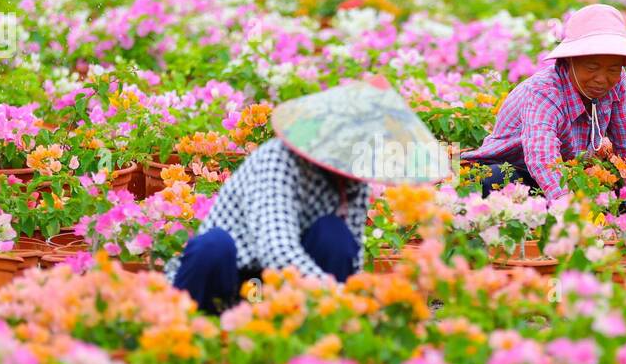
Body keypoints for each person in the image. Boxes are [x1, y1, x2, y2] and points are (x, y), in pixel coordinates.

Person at [166, 77, 448, 314]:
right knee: (213, 245)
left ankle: (318, 335)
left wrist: (364, 297)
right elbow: (275, 250)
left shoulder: (352, 180)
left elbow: (351, 256)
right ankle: (186, 327)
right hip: (239, 278)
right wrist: (341, 295)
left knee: (334, 235)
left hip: (286, 290)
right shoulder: (278, 160)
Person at [461, 3, 626, 199]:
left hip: (575, 168)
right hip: (521, 168)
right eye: (592, 67)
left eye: (613, 69)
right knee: (496, 181)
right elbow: (543, 160)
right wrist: (571, 211)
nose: (602, 78)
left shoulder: (618, 82)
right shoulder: (544, 91)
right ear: (570, 60)